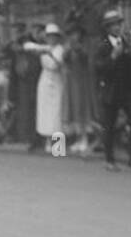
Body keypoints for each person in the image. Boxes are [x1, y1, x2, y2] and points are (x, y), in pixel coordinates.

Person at [95, 12, 131, 171]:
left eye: (118, 24)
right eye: (113, 25)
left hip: (128, 90)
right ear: (107, 28)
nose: (117, 27)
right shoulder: (102, 45)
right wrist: (113, 57)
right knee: (109, 126)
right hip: (111, 91)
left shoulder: (127, 42)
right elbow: (99, 68)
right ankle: (109, 159)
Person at [25, 23, 67, 154]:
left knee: (57, 113)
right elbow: (27, 46)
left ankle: (58, 146)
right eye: (49, 36)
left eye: (54, 36)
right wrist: (43, 50)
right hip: (45, 81)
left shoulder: (60, 49)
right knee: (46, 113)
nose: (51, 39)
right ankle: (48, 142)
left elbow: (55, 65)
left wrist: (48, 54)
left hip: (57, 80)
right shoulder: (44, 48)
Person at [62, 24, 95, 157]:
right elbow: (64, 59)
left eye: (75, 33)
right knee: (74, 110)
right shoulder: (69, 47)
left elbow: (87, 59)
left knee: (82, 109)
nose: (73, 36)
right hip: (71, 82)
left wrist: (77, 49)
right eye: (71, 34)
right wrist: (69, 49)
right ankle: (78, 138)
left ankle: (85, 138)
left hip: (82, 82)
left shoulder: (84, 47)